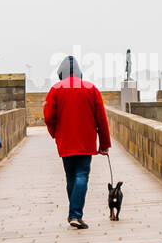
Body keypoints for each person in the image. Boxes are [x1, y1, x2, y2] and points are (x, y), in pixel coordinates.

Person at [43, 55, 111, 229]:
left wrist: (55, 135)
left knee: (70, 176)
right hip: (86, 141)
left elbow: (49, 117)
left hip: (65, 142)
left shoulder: (55, 90)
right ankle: (75, 214)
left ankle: (74, 212)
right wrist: (104, 144)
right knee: (82, 175)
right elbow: (101, 119)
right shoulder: (91, 88)